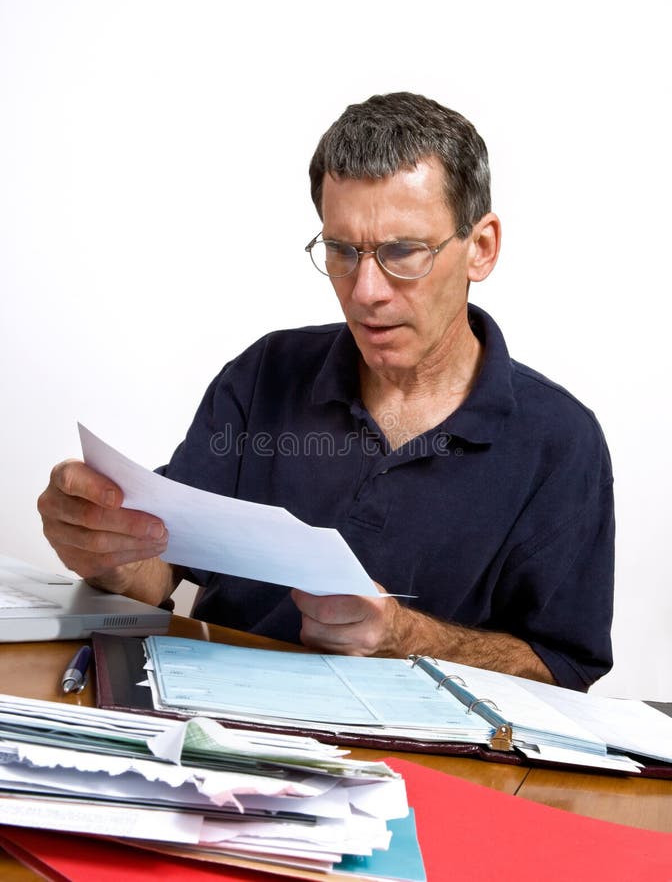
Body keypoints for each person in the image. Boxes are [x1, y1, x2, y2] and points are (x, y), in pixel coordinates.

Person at [37, 92, 614, 691]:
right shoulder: (266, 371)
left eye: (403, 253)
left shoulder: (561, 441)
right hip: (219, 727)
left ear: (482, 248)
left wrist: (406, 638)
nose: (366, 291)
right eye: (341, 251)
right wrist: (106, 552)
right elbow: (159, 572)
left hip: (420, 762)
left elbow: (563, 668)